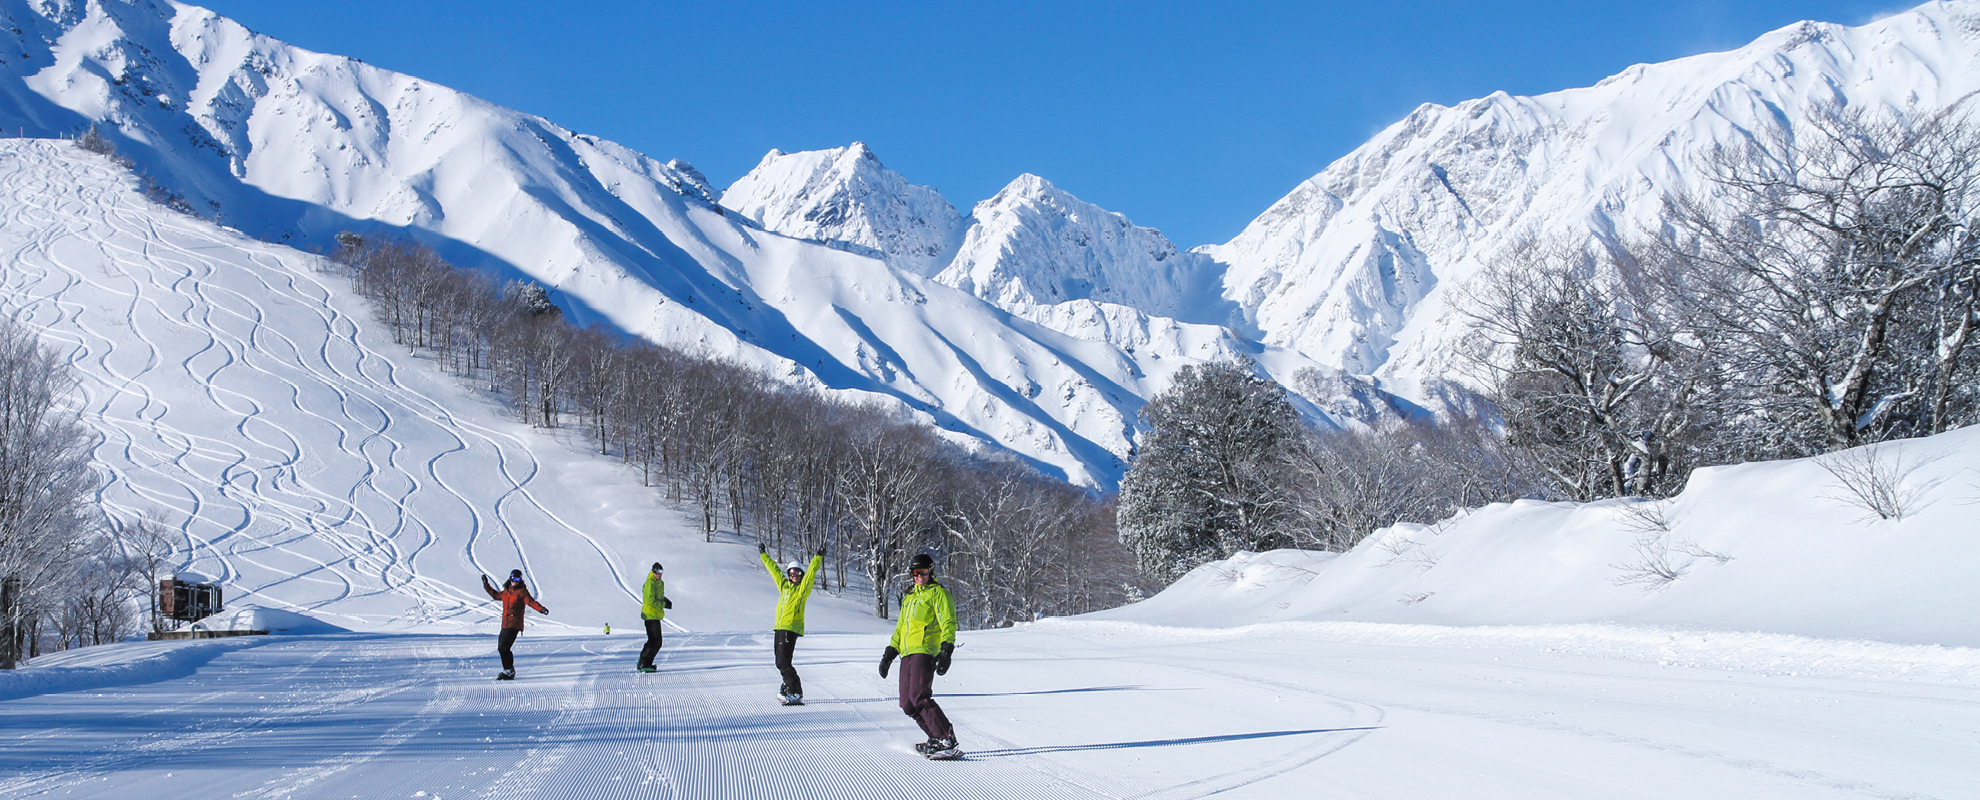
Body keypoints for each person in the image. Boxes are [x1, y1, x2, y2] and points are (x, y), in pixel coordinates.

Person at [878, 552, 960, 757]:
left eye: (922, 572)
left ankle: (946, 738)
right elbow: (900, 628)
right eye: (915, 573)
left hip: (925, 650)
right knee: (907, 703)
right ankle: (936, 738)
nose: (919, 576)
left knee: (919, 697)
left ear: (930, 571)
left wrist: (946, 650)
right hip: (906, 652)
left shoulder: (938, 593)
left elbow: (948, 622)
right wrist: (889, 653)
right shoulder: (910, 597)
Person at [759, 542, 825, 704]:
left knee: (783, 662)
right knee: (780, 662)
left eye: (797, 573)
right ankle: (787, 687)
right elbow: (774, 571)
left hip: (790, 628)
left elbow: (811, 574)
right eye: (792, 573)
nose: (794, 575)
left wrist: (817, 557)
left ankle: (795, 691)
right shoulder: (784, 587)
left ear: (801, 575)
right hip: (780, 627)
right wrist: (763, 555)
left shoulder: (802, 590)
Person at [481, 569, 549, 680]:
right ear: (510, 579)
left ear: (520, 580)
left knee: (504, 647)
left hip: (514, 624)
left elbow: (531, 602)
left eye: (517, 580)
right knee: (501, 648)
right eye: (513, 579)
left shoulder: (522, 592)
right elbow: (495, 595)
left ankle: (509, 671)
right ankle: (508, 670)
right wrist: (486, 585)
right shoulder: (506, 591)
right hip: (505, 624)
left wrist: (541, 609)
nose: (515, 582)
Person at [637, 562, 673, 673]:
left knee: (656, 641)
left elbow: (658, 596)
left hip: (656, 615)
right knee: (655, 640)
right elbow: (650, 601)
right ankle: (644, 662)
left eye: (661, 572)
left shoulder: (660, 583)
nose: (659, 574)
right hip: (650, 615)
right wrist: (663, 604)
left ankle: (646, 662)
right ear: (653, 571)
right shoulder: (650, 583)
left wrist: (665, 600)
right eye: (657, 572)